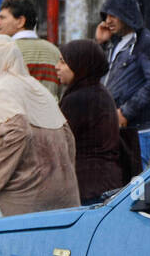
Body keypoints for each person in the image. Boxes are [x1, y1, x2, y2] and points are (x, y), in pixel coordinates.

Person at [0, 34, 80, 216]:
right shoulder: (36, 88)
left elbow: (19, 132)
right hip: (63, 198)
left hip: (24, 201)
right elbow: (68, 137)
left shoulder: (5, 88)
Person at [95, 0, 150, 167]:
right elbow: (97, 72)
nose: (107, 21)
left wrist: (127, 111)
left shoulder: (148, 43)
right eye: (106, 16)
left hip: (137, 131)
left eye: (113, 15)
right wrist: (101, 43)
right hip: (112, 126)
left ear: (127, 14)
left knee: (133, 187)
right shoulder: (114, 43)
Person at [56, 39, 131, 204]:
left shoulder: (79, 98)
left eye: (63, 61)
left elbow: (60, 141)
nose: (57, 66)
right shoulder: (99, 92)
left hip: (88, 186)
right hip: (106, 181)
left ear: (79, 65)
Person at [0, 0, 61, 100]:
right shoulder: (55, 51)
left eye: (2, 18)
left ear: (20, 21)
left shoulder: (5, 51)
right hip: (50, 114)